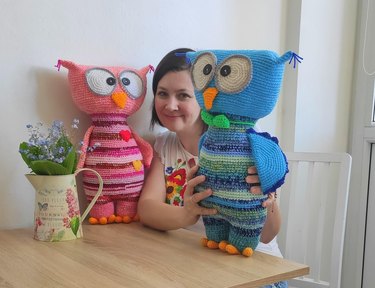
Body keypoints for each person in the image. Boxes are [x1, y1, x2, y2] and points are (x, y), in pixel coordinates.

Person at [137, 48, 287, 288]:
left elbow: (268, 235)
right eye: (162, 93)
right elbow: (146, 209)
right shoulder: (165, 144)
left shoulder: (251, 145)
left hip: (255, 266)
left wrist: (269, 197)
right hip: (204, 263)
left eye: (184, 95)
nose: (171, 105)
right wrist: (187, 213)